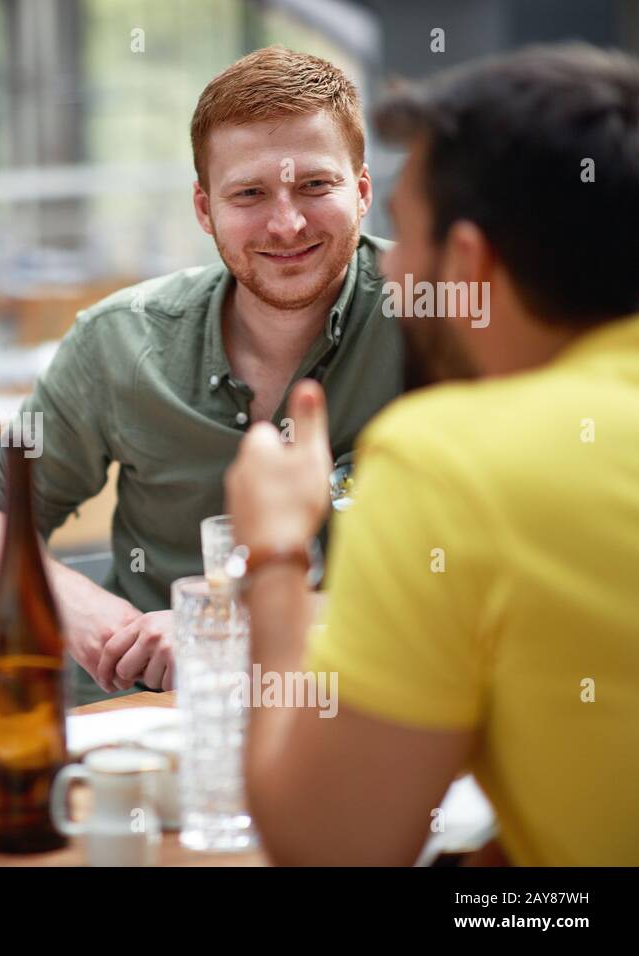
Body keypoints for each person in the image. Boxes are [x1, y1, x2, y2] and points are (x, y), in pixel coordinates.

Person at [227, 44, 639, 865]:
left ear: (468, 264)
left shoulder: (449, 461)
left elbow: (330, 846)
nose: (395, 269)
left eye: (407, 240)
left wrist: (274, 552)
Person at [0, 46, 402, 702]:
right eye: (250, 193)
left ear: (361, 190)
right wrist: (76, 608)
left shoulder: (440, 322)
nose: (287, 223)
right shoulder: (121, 340)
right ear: (204, 209)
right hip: (142, 724)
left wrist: (224, 627)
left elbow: (475, 575)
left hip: (368, 712)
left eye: (315, 185)